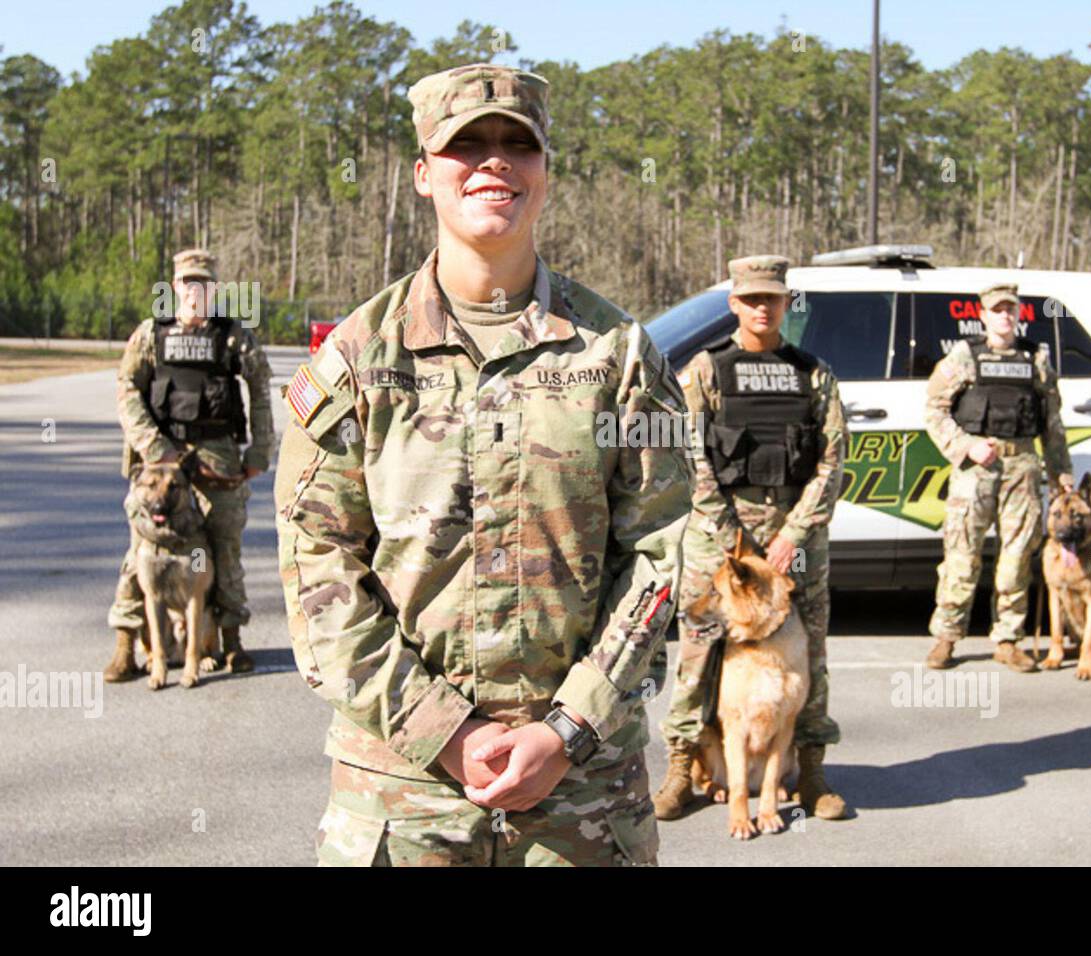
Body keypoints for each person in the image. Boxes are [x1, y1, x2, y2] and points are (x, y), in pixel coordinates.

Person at [274, 63, 693, 867]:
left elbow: (660, 555)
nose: (495, 162)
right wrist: (445, 732)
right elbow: (317, 569)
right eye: (467, 146)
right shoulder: (360, 359)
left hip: (584, 798)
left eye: (518, 145)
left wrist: (567, 730)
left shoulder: (618, 355)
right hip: (407, 796)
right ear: (425, 175)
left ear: (545, 175)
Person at [653, 255, 849, 823]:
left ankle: (810, 771)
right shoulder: (707, 371)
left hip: (797, 540)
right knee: (697, 649)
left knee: (808, 649)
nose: (763, 308)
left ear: (786, 304)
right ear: (734, 304)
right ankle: (682, 766)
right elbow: (691, 456)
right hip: (721, 539)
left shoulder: (814, 374)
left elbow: (832, 463)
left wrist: (792, 533)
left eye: (773, 298)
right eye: (751, 299)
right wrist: (732, 535)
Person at [105, 248, 272, 680]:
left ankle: (229, 640)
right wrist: (152, 445)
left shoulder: (234, 336)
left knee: (221, 549)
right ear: (175, 286)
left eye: (204, 283)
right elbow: (127, 391)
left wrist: (258, 453)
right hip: (160, 461)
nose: (195, 291)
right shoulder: (150, 334)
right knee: (142, 550)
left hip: (217, 457)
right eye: (188, 282)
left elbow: (261, 390)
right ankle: (127, 641)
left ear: (215, 288)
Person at [923, 282, 1073, 672]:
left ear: (1018, 314)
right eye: (997, 309)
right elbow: (934, 411)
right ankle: (946, 637)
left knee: (1018, 557)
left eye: (1011, 309)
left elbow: (1052, 424)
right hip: (976, 467)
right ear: (983, 315)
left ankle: (1008, 639)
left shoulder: (1035, 359)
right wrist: (966, 446)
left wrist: (1061, 474)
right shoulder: (965, 356)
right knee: (961, 556)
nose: (1005, 315)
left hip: (1022, 464)